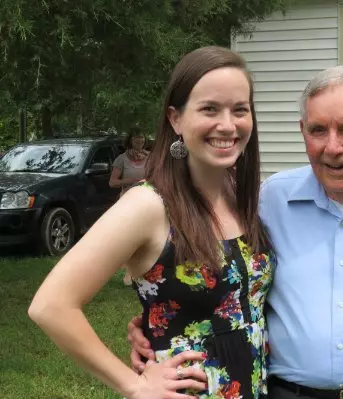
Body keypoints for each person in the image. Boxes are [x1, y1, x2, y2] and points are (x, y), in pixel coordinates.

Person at [129, 64, 343, 398]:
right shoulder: (269, 200)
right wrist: (153, 323)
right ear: (303, 132)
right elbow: (228, 277)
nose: (332, 147)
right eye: (317, 130)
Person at [28, 45, 275, 399]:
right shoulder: (149, 205)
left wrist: (148, 322)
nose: (227, 124)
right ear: (176, 119)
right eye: (209, 109)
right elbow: (51, 305)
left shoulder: (243, 195)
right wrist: (133, 385)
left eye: (240, 109)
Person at [109, 129, 150, 286]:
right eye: (136, 138)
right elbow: (112, 182)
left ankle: (142, 272)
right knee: (130, 238)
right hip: (128, 201)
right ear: (130, 140)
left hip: (148, 201)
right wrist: (135, 179)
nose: (139, 141)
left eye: (141, 138)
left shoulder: (150, 157)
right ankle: (129, 273)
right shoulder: (122, 159)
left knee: (145, 239)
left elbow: (159, 175)